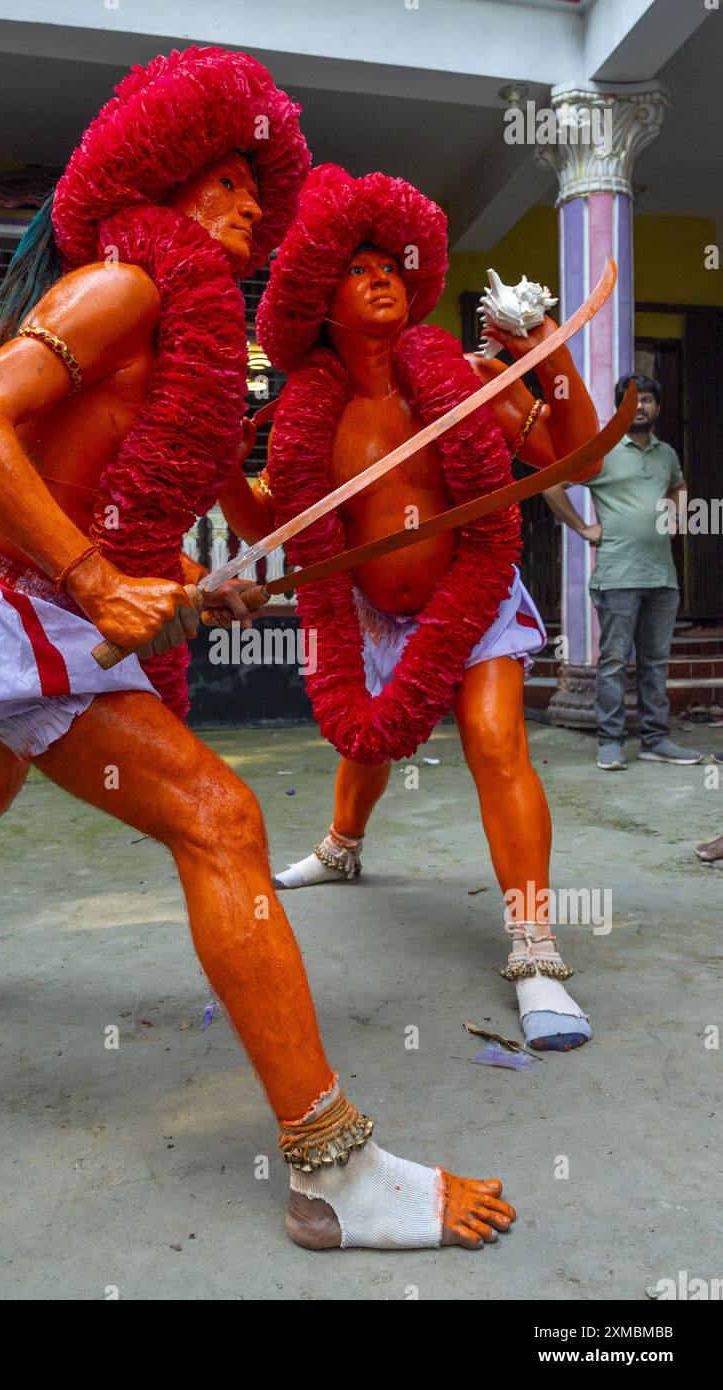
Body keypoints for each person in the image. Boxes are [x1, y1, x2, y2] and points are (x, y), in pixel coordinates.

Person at [0, 50, 515, 1252]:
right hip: (3, 601)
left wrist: (199, 585)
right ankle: (331, 1169)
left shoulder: (188, 323)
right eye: (230, 181)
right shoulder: (126, 281)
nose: (255, 205)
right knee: (223, 818)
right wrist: (97, 581)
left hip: (14, 602)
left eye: (263, 188)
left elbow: (164, 507)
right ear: (165, 183)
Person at [220, 164, 603, 1052]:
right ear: (320, 298)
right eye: (355, 269)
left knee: (497, 741)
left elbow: (571, 459)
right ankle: (340, 846)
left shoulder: (466, 377)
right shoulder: (305, 412)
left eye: (387, 262)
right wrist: (218, 467)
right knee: (367, 744)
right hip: (366, 614)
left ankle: (535, 950)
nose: (380, 273)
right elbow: (274, 525)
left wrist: (547, 352)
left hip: (475, 598)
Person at [543, 373, 703, 770]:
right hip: (617, 576)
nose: (642, 407)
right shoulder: (602, 451)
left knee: (655, 662)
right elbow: (551, 486)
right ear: (621, 409)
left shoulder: (666, 453)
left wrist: (678, 516)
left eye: (648, 400)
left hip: (663, 578)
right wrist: (583, 528)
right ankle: (610, 741)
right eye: (634, 401)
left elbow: (678, 485)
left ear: (657, 407)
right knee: (614, 662)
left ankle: (656, 740)